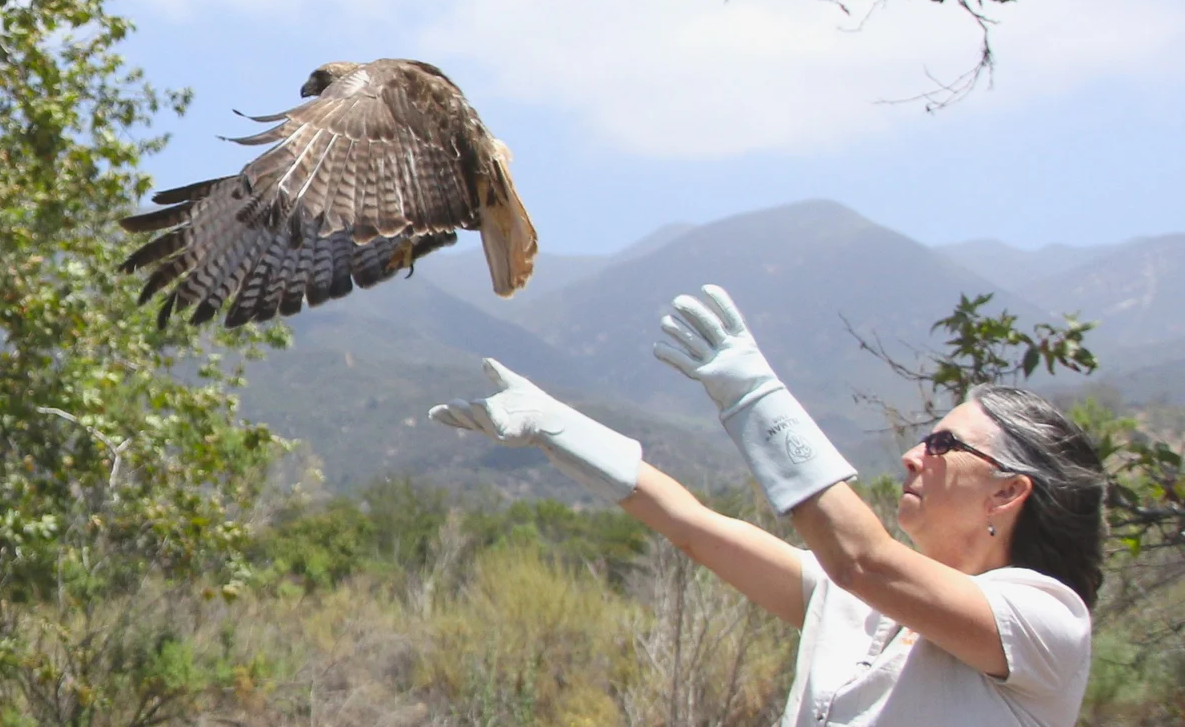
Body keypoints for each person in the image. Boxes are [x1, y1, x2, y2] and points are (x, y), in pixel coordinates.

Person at [430, 285, 1107, 726]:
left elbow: (862, 558)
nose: (912, 454)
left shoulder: (1047, 623)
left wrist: (752, 394)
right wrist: (559, 427)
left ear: (1008, 489)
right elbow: (692, 525)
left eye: (942, 442)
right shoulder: (857, 606)